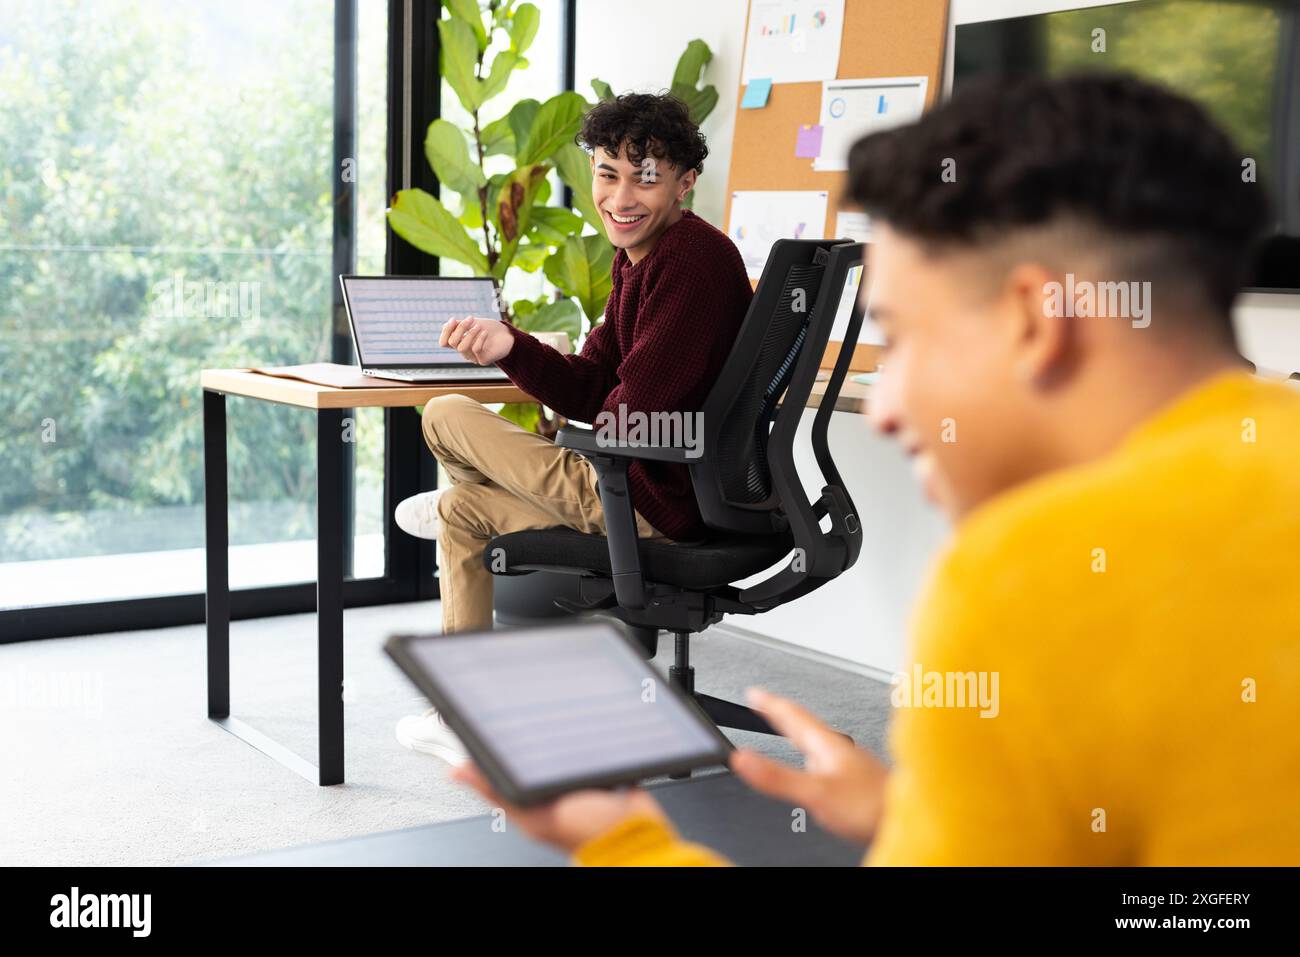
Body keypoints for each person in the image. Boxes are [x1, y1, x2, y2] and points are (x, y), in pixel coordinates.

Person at [454, 72, 1300, 864]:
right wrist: (909, 817)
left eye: (909, 336)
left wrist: (627, 842)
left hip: (663, 500)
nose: (887, 408)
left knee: (452, 437)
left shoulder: (1021, 578)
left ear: (1034, 325)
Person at [392, 93, 754, 764]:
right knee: (461, 512)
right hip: (663, 487)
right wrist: (511, 346)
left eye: (645, 178)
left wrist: (590, 414)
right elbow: (594, 383)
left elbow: (629, 414)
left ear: (684, 182)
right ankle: (461, 716)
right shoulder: (640, 258)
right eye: (608, 174)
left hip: (651, 499)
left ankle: (482, 500)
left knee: (445, 413)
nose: (621, 197)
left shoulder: (689, 264)